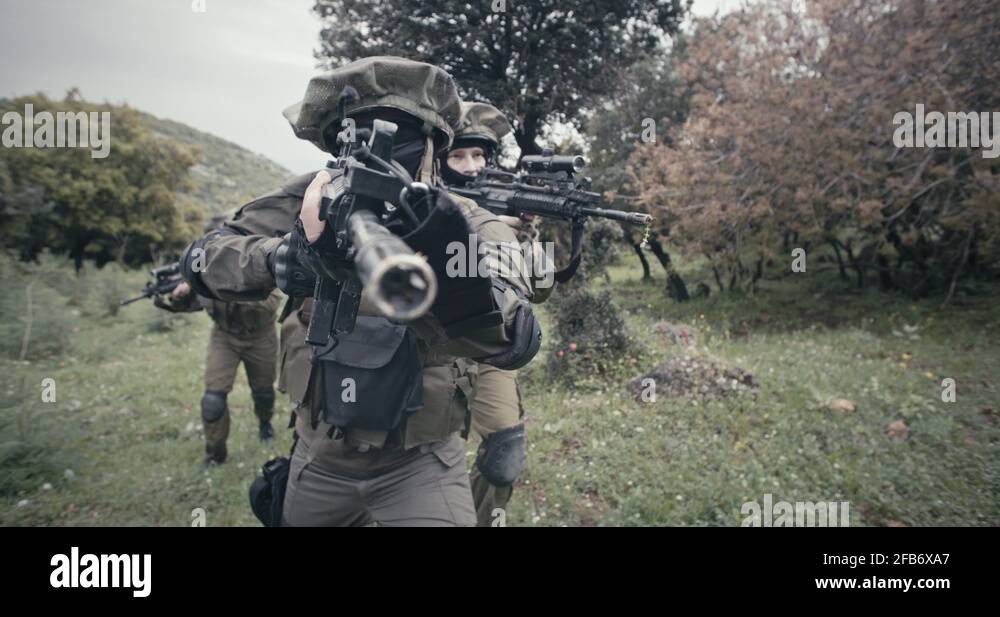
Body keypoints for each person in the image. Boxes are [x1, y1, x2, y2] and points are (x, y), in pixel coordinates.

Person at [178, 57, 542, 526]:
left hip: (421, 462)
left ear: (431, 147)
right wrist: (279, 259)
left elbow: (514, 339)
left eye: (400, 138)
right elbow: (204, 257)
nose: (379, 156)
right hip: (320, 457)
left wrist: (446, 265)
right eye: (359, 137)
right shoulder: (308, 198)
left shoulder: (467, 221)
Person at [439, 101, 554, 525]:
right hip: (428, 351)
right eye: (457, 155)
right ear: (438, 159)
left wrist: (521, 237)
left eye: (479, 155)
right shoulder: (415, 205)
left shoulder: (504, 215)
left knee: (505, 452)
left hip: (488, 347)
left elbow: (539, 291)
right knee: (415, 462)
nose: (470, 166)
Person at [155, 214, 281, 467]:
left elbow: (267, 305)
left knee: (264, 393)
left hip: (260, 336)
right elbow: (188, 306)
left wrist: (220, 285)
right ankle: (215, 455)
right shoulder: (200, 270)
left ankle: (265, 423)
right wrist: (179, 295)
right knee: (212, 400)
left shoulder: (255, 261)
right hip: (224, 337)